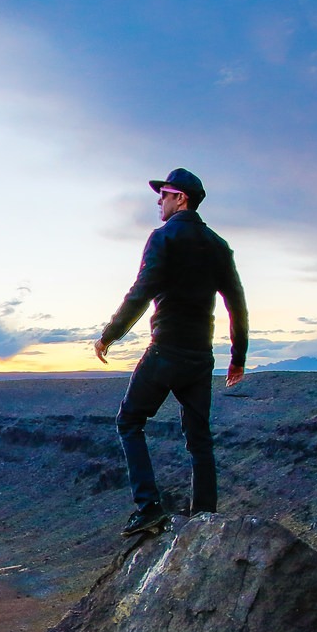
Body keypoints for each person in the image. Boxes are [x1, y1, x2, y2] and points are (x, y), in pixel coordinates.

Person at [93, 168, 248, 537]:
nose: (158, 201)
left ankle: (148, 508)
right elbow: (236, 305)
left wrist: (108, 336)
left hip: (166, 352)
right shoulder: (218, 245)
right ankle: (205, 518)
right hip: (200, 358)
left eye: (163, 194)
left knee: (129, 422)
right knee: (199, 440)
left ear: (181, 198)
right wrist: (238, 357)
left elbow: (141, 292)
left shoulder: (163, 238)